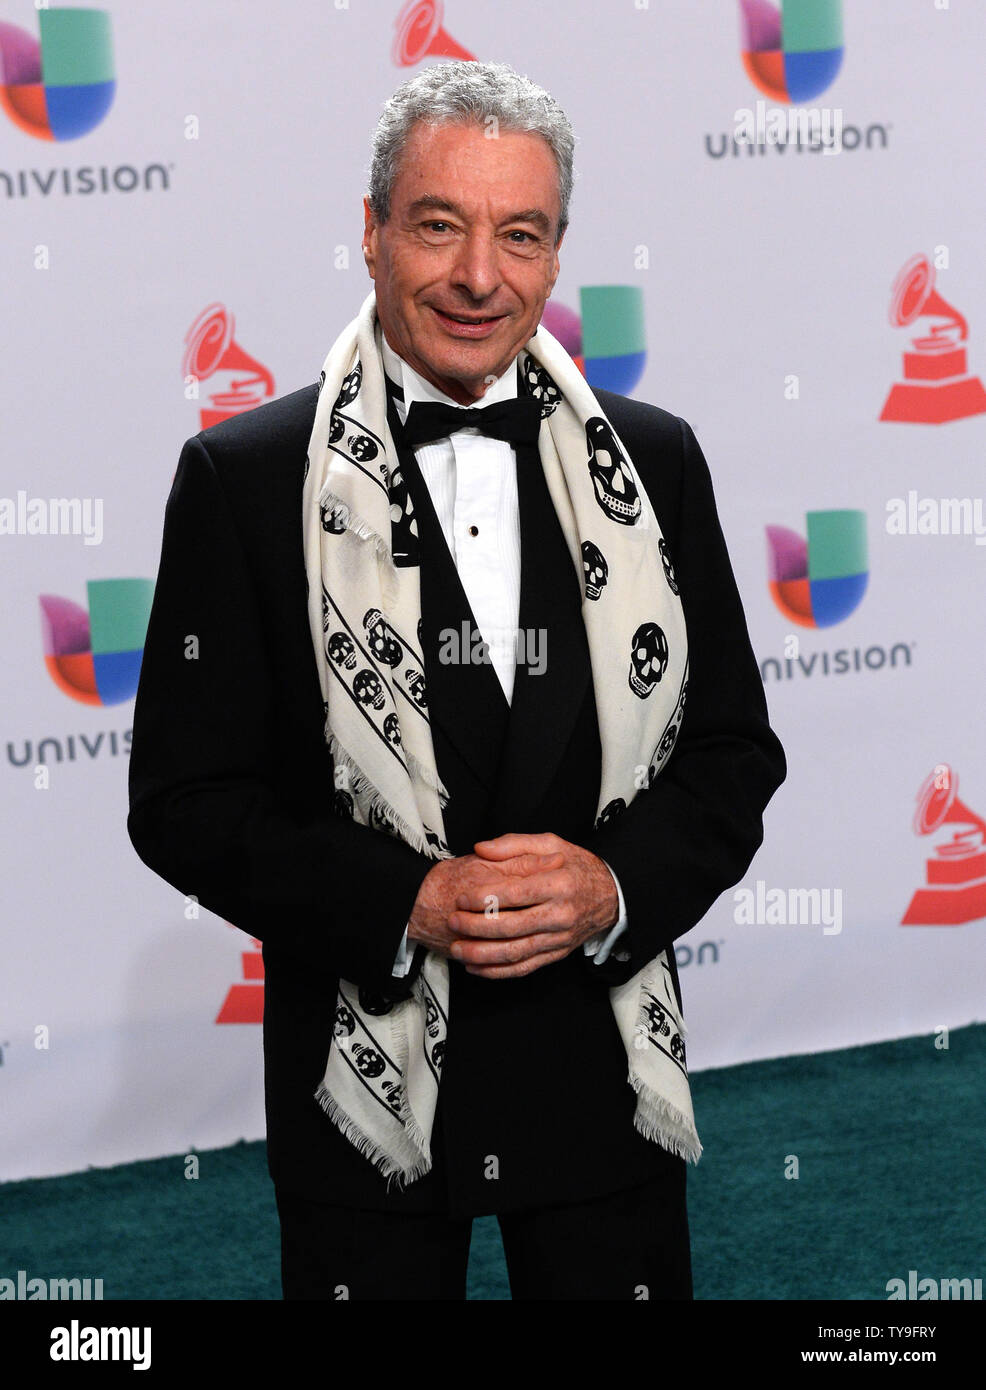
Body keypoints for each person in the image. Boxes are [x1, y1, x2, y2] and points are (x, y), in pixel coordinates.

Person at [127, 60, 786, 1301]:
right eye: (438, 225)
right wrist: (402, 901)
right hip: (360, 1088)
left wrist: (609, 884)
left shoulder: (653, 464)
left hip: (600, 1084)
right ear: (370, 234)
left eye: (518, 234)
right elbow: (183, 804)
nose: (480, 275)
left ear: (554, 253)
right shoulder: (243, 480)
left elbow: (731, 758)